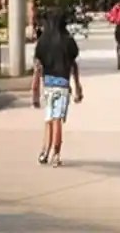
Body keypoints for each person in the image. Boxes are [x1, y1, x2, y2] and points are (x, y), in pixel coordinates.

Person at [31, 9, 83, 167]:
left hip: (48, 86)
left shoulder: (43, 42)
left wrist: (35, 91)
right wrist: (78, 87)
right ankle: (56, 153)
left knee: (49, 118)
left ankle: (44, 151)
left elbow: (37, 69)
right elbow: (74, 66)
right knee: (57, 119)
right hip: (62, 86)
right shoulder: (68, 41)